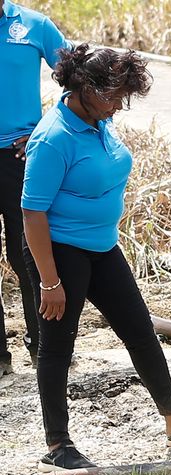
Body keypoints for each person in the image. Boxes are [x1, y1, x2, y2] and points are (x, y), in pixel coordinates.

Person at [21, 44, 171, 472]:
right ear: (84, 88)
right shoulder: (53, 137)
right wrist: (50, 281)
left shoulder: (98, 121)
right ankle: (57, 446)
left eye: (123, 98)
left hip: (102, 247)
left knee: (140, 331)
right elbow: (32, 212)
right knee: (57, 347)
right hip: (60, 251)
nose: (118, 107)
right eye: (112, 97)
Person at [0, 0, 71, 375]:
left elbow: (79, 76)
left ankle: (42, 347)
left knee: (26, 254)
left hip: (18, 157)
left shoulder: (33, 25)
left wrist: (44, 131)